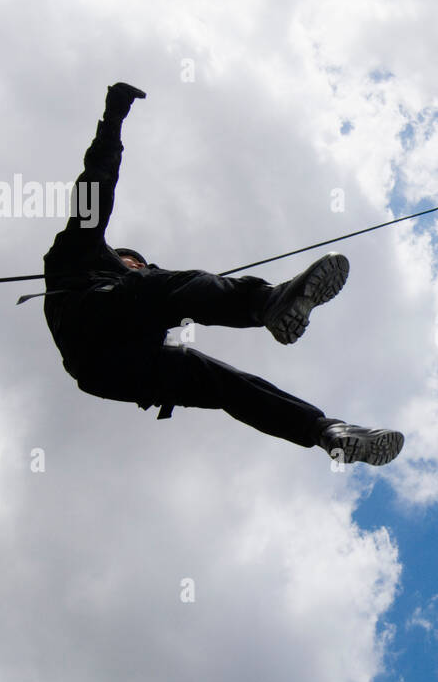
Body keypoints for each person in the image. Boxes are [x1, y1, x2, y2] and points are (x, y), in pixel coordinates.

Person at [41, 82, 404, 466]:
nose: (142, 266)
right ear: (116, 255)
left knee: (219, 382)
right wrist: (113, 119)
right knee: (161, 287)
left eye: (141, 264)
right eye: (133, 260)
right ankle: (267, 303)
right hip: (89, 324)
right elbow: (97, 181)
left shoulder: (142, 296)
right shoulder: (80, 250)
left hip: (115, 371)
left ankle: (324, 430)